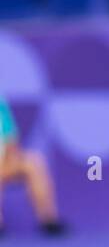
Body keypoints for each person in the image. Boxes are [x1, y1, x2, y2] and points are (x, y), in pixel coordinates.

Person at [0, 96, 67, 237]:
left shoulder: (1, 105)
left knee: (33, 162)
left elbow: (11, 140)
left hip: (4, 161)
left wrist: (8, 157)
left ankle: (48, 220)